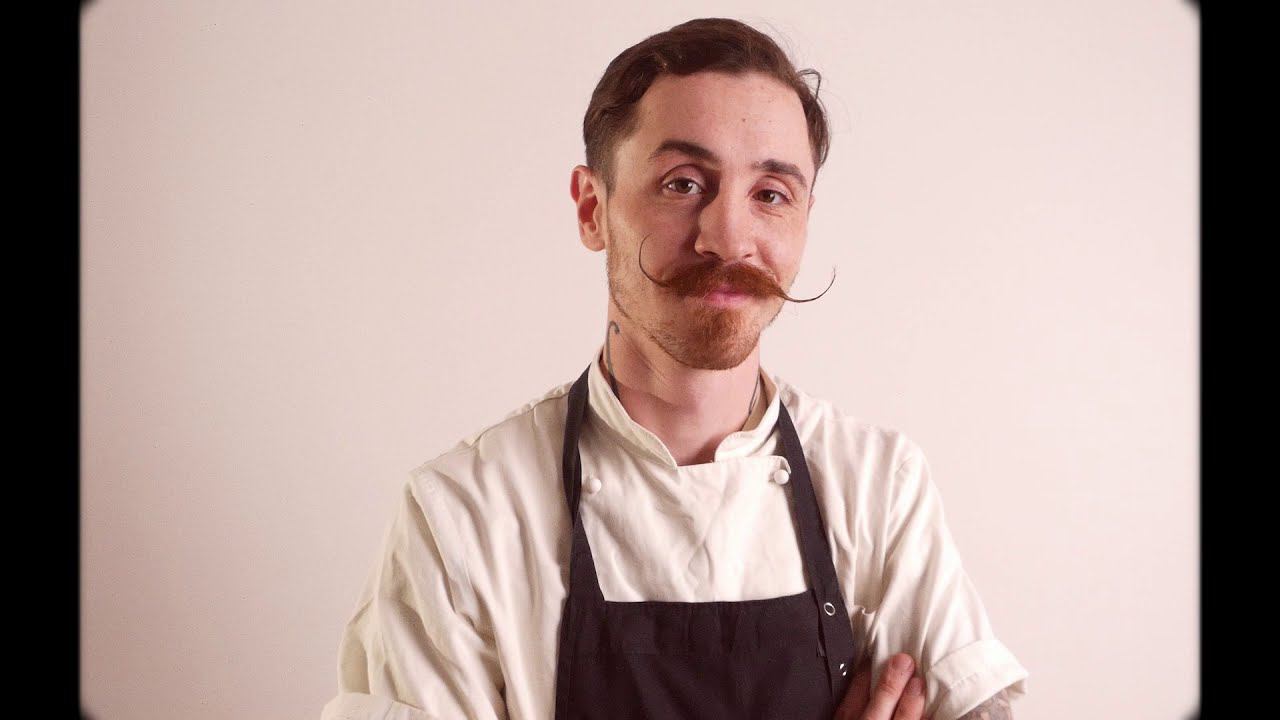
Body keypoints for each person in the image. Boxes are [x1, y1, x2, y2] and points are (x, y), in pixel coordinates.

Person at [321, 17, 1028, 720]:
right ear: (592, 209)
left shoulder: (880, 490)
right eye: (683, 184)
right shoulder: (464, 516)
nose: (729, 237)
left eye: (770, 194)